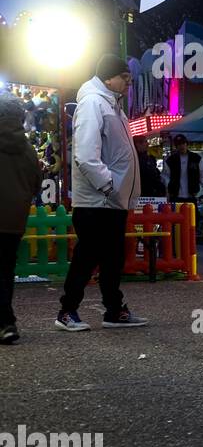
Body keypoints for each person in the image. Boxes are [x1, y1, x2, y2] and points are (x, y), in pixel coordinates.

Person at [56, 53, 146, 331]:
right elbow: (85, 154)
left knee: (111, 258)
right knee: (88, 257)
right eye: (125, 78)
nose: (128, 84)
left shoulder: (112, 105)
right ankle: (67, 311)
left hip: (109, 200)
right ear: (108, 77)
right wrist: (109, 186)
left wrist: (118, 193)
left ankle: (114, 310)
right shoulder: (94, 103)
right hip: (97, 200)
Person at [0, 95, 42, 344]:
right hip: (15, 220)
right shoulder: (27, 149)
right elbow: (36, 183)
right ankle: (6, 322)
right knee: (5, 269)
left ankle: (6, 322)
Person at [161, 133, 203, 205]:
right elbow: (165, 176)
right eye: (179, 144)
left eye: (183, 143)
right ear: (176, 146)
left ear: (187, 144)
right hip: (175, 196)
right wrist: (168, 189)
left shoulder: (196, 158)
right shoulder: (171, 160)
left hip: (191, 196)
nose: (181, 146)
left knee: (192, 216)